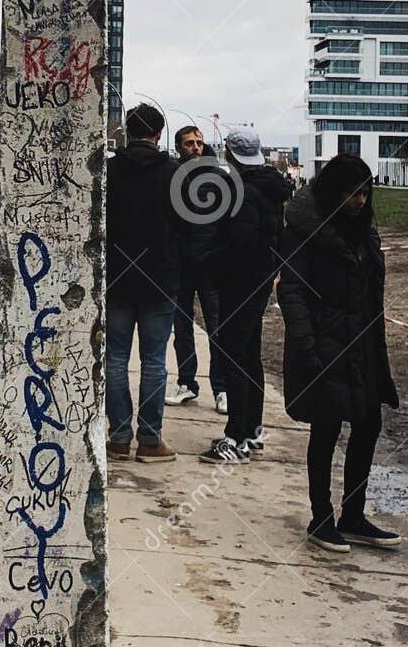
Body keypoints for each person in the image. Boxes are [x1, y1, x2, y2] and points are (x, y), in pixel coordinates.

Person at [278, 153, 401, 552]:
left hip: (362, 343)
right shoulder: (305, 230)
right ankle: (321, 517)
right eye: (353, 193)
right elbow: (291, 288)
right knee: (326, 428)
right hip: (324, 344)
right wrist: (307, 344)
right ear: (335, 191)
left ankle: (353, 514)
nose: (361, 201)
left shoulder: (364, 231)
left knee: (368, 424)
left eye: (366, 193)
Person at [201, 128, 290, 465]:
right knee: (250, 355)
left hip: (239, 283)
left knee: (233, 356)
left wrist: (210, 262)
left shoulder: (243, 193)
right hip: (261, 280)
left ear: (230, 155)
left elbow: (239, 243)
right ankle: (252, 429)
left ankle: (235, 436)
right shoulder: (272, 190)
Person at [105, 104, 179, 462]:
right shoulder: (174, 173)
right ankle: (150, 441)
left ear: (127, 131)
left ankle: (119, 436)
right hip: (160, 279)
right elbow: (187, 228)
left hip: (117, 278)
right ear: (158, 134)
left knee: (115, 358)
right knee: (154, 361)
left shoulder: (108, 171)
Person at [164, 125, 228, 415]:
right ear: (179, 147)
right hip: (181, 265)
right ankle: (187, 383)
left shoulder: (218, 177)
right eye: (189, 143)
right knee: (182, 327)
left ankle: (222, 388)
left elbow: (227, 222)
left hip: (212, 267)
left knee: (217, 327)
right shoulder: (172, 177)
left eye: (199, 143)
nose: (196, 147)